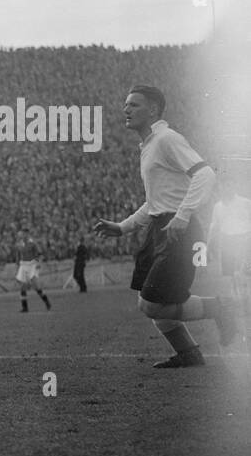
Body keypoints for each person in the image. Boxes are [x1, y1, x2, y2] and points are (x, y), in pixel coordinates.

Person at [92, 84, 239, 367]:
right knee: (149, 302)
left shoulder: (166, 139)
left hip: (177, 230)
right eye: (126, 104)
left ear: (153, 110)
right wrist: (123, 227)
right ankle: (188, 353)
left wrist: (182, 216)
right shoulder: (148, 146)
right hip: (160, 227)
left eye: (134, 104)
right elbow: (155, 202)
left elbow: (205, 174)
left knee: (152, 303)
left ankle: (222, 307)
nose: (126, 109)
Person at [209, 174, 251, 299]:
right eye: (224, 185)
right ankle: (234, 297)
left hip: (243, 240)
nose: (227, 188)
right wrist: (209, 244)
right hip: (226, 241)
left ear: (234, 186)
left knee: (241, 272)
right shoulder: (218, 206)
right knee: (228, 273)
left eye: (230, 185)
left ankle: (244, 297)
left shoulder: (246, 203)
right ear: (220, 187)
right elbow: (214, 226)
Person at [14, 230, 51, 311]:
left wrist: (38, 263)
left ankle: (46, 301)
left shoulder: (33, 243)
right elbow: (18, 257)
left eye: (23, 234)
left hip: (32, 265)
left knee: (36, 286)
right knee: (23, 286)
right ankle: (25, 307)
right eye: (20, 235)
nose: (21, 236)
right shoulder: (19, 244)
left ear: (27, 234)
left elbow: (40, 255)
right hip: (23, 265)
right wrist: (17, 269)